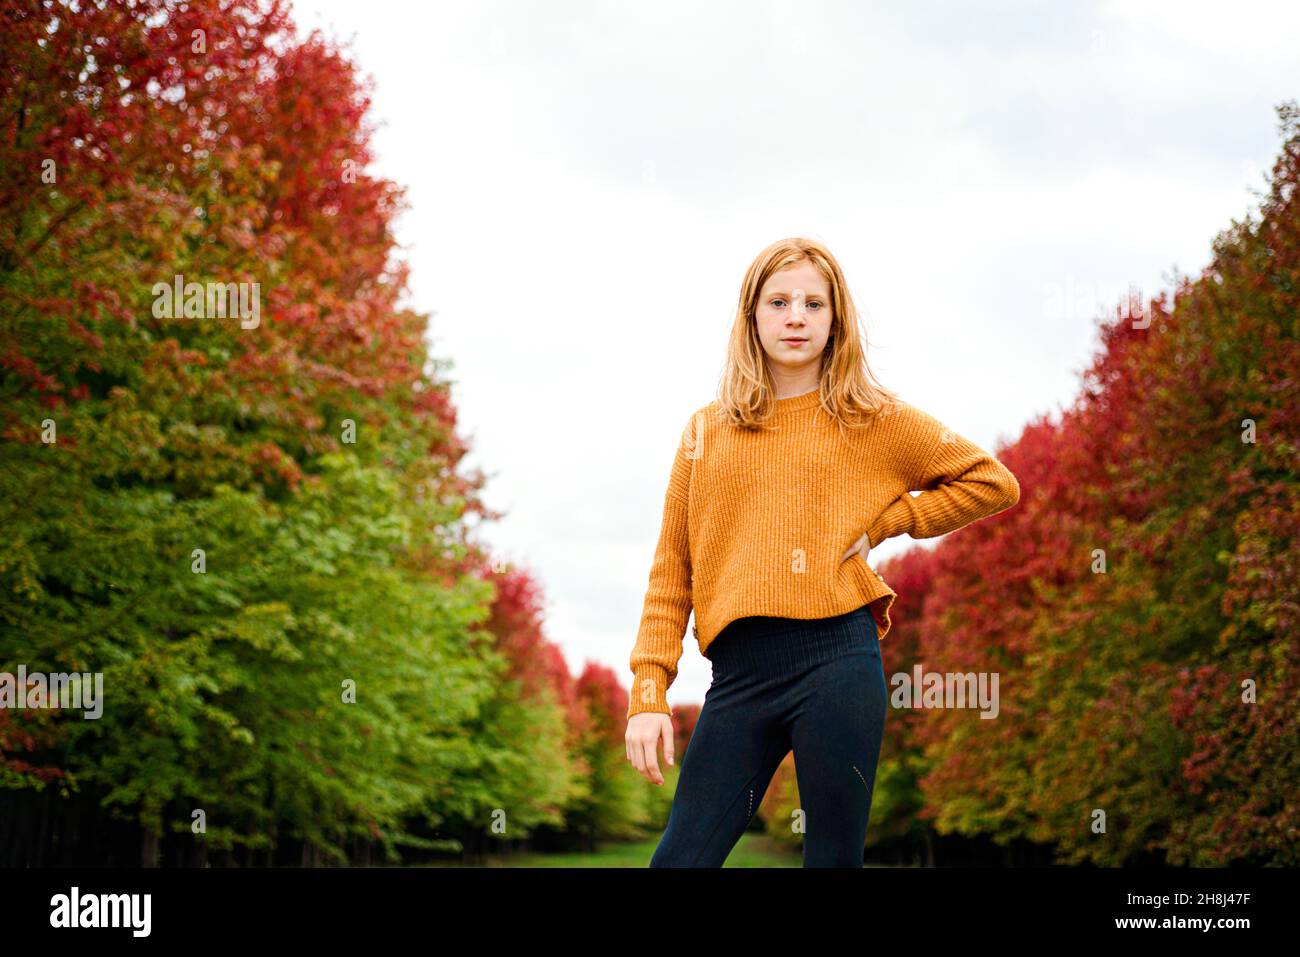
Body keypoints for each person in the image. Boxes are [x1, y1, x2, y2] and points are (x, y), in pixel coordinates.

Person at [624, 236, 1021, 867]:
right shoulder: (705, 431)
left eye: (814, 303)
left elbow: (993, 481)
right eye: (778, 301)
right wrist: (649, 692)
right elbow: (672, 568)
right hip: (738, 677)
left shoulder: (873, 417)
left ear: (836, 319)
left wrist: (893, 520)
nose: (796, 317)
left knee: (834, 862)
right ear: (751, 316)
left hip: (837, 661)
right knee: (678, 860)